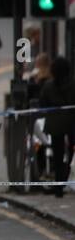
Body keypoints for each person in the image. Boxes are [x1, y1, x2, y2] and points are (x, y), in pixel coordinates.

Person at [39, 57, 75, 198]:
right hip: (71, 123)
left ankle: (59, 187)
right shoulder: (73, 85)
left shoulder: (48, 86)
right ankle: (64, 177)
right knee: (71, 154)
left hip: (55, 126)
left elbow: (43, 105)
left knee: (58, 155)